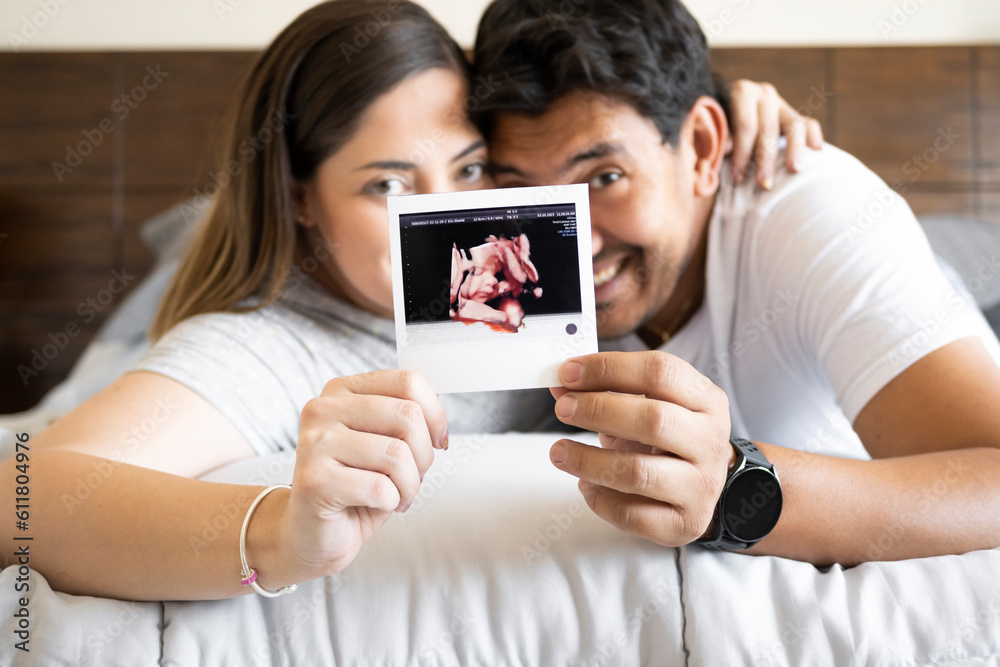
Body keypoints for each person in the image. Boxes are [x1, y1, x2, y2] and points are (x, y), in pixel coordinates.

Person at [1, 0, 821, 601]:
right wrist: (280, 533)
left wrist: (727, 109)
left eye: (470, 170)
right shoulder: (272, 348)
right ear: (300, 198)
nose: (449, 221)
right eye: (388, 186)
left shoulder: (551, 268)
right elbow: (19, 498)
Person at [471, 0, 1000, 565]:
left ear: (702, 147)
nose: (575, 244)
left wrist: (732, 489)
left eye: (606, 177)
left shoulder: (817, 208)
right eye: (523, 191)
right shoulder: (501, 247)